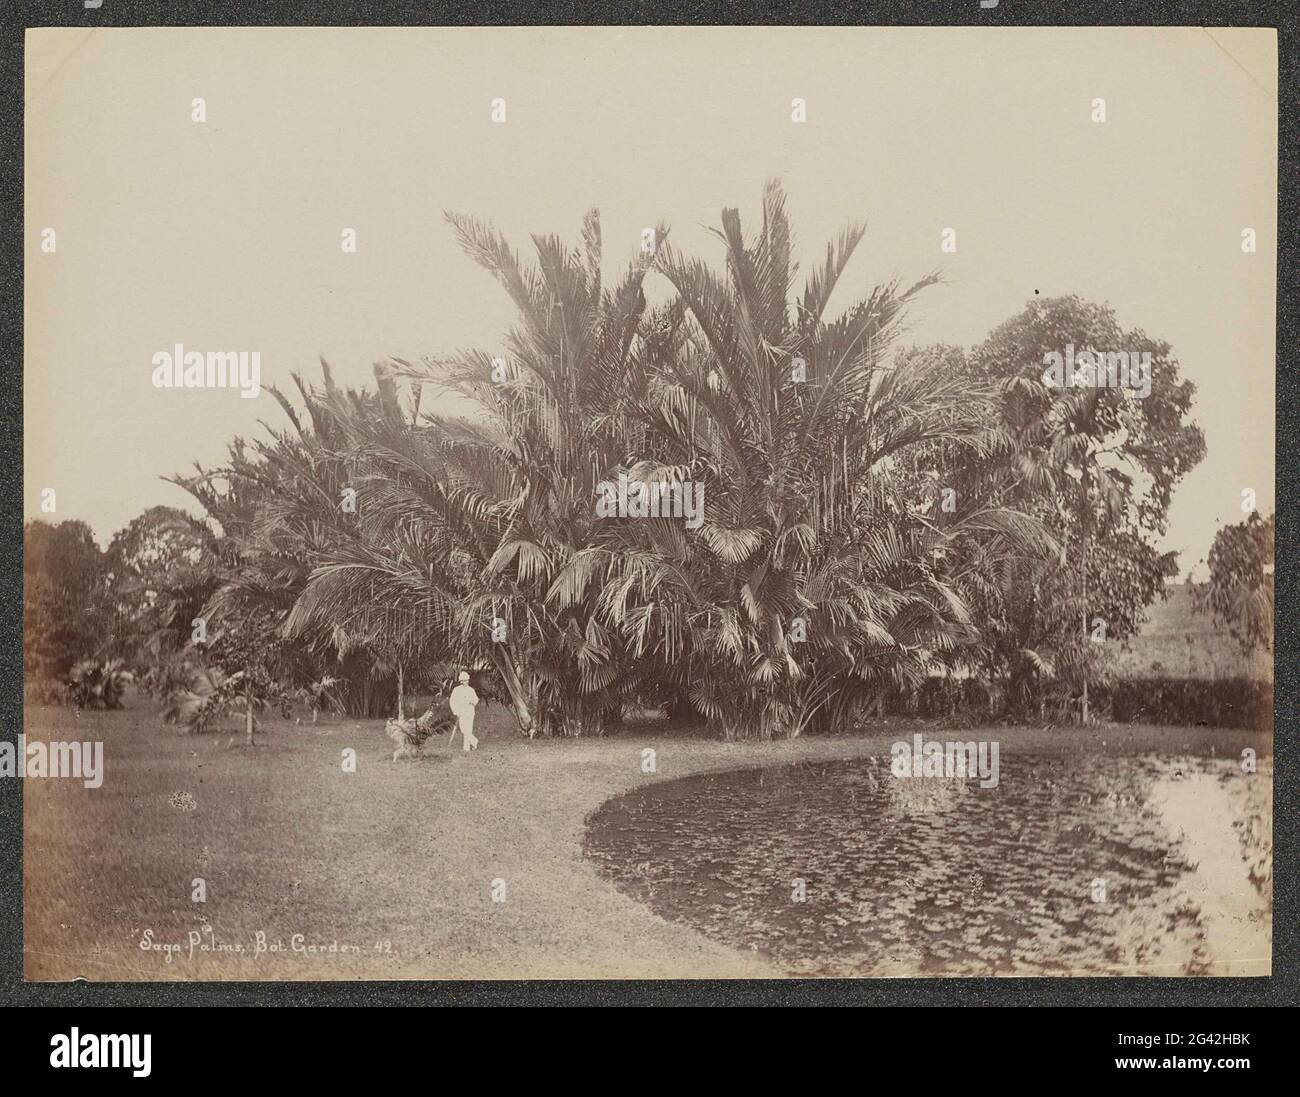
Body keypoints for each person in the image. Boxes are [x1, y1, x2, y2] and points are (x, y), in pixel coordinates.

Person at [449, 671, 480, 752]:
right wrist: (455, 711)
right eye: (464, 680)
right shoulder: (456, 690)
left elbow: (476, 699)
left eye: (467, 680)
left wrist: (472, 701)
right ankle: (474, 741)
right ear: (461, 681)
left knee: (469, 729)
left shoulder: (471, 690)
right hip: (461, 712)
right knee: (463, 729)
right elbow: (452, 701)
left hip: (470, 711)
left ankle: (466, 748)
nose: (466, 682)